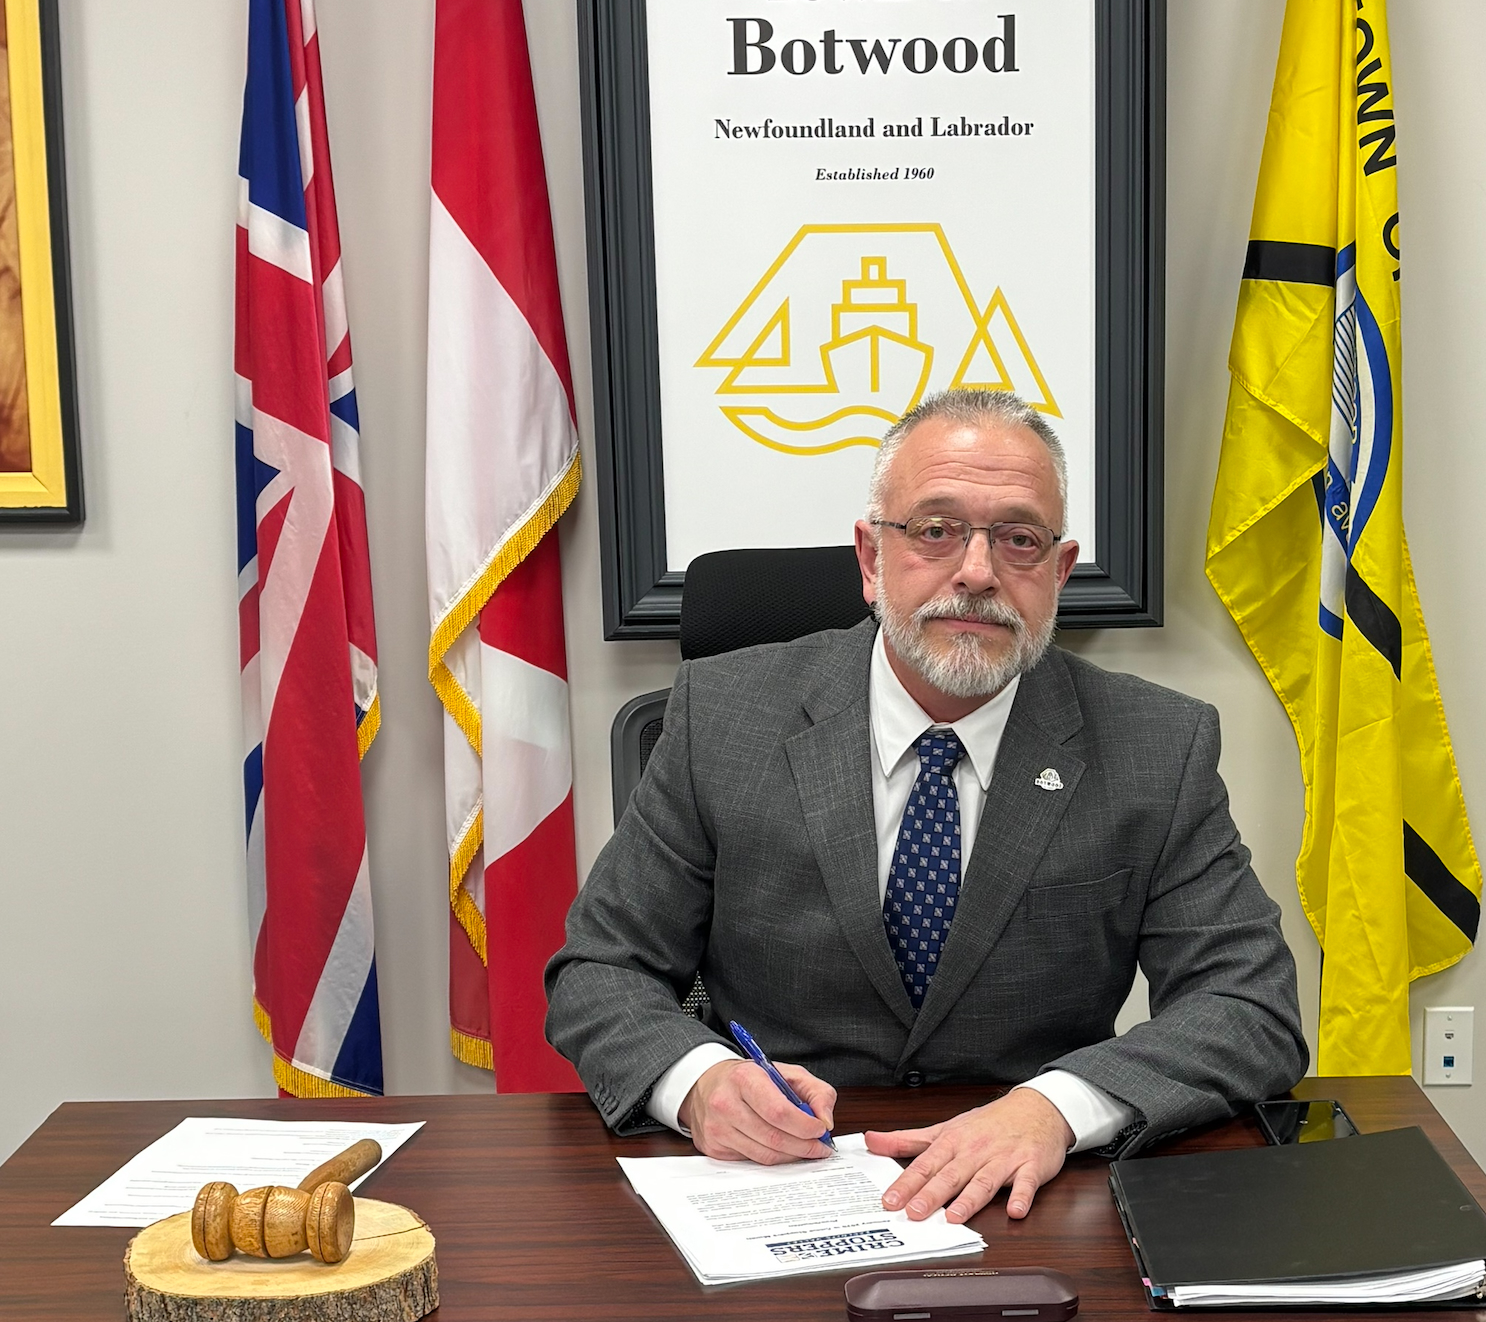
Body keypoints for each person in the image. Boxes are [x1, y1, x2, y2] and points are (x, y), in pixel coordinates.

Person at [547, 390, 1306, 1226]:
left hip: (1032, 1191)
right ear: (872, 560)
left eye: (1018, 539)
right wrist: (699, 1085)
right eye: (937, 530)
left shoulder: (1157, 745)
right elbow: (601, 969)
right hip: (775, 1185)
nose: (978, 572)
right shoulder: (723, 716)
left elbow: (1249, 1005)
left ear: (1057, 575)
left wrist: (1056, 1108)